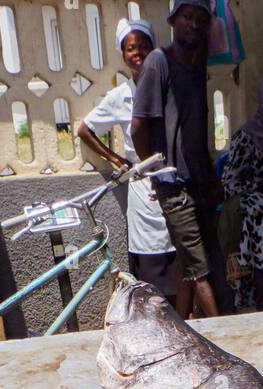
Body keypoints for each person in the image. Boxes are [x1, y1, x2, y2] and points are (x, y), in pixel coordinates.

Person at [131, 0, 225, 319]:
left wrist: (211, 177)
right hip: (175, 186)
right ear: (173, 21)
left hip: (199, 180)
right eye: (187, 17)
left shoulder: (197, 66)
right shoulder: (159, 62)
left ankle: (181, 324)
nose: (194, 25)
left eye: (201, 19)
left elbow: (197, 132)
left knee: (190, 261)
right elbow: (138, 127)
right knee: (200, 270)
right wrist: (159, 173)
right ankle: (227, 340)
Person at [75, 19, 177, 303]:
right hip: (142, 187)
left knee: (179, 256)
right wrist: (115, 158)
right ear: (123, 55)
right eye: (131, 48)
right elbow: (85, 130)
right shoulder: (120, 96)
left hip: (172, 178)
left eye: (144, 47)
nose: (138, 53)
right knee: (150, 262)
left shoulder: (168, 87)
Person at [221, 74, 263, 310]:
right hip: (253, 204)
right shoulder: (248, 136)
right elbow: (229, 182)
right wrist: (260, 187)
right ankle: (261, 279)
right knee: (259, 208)